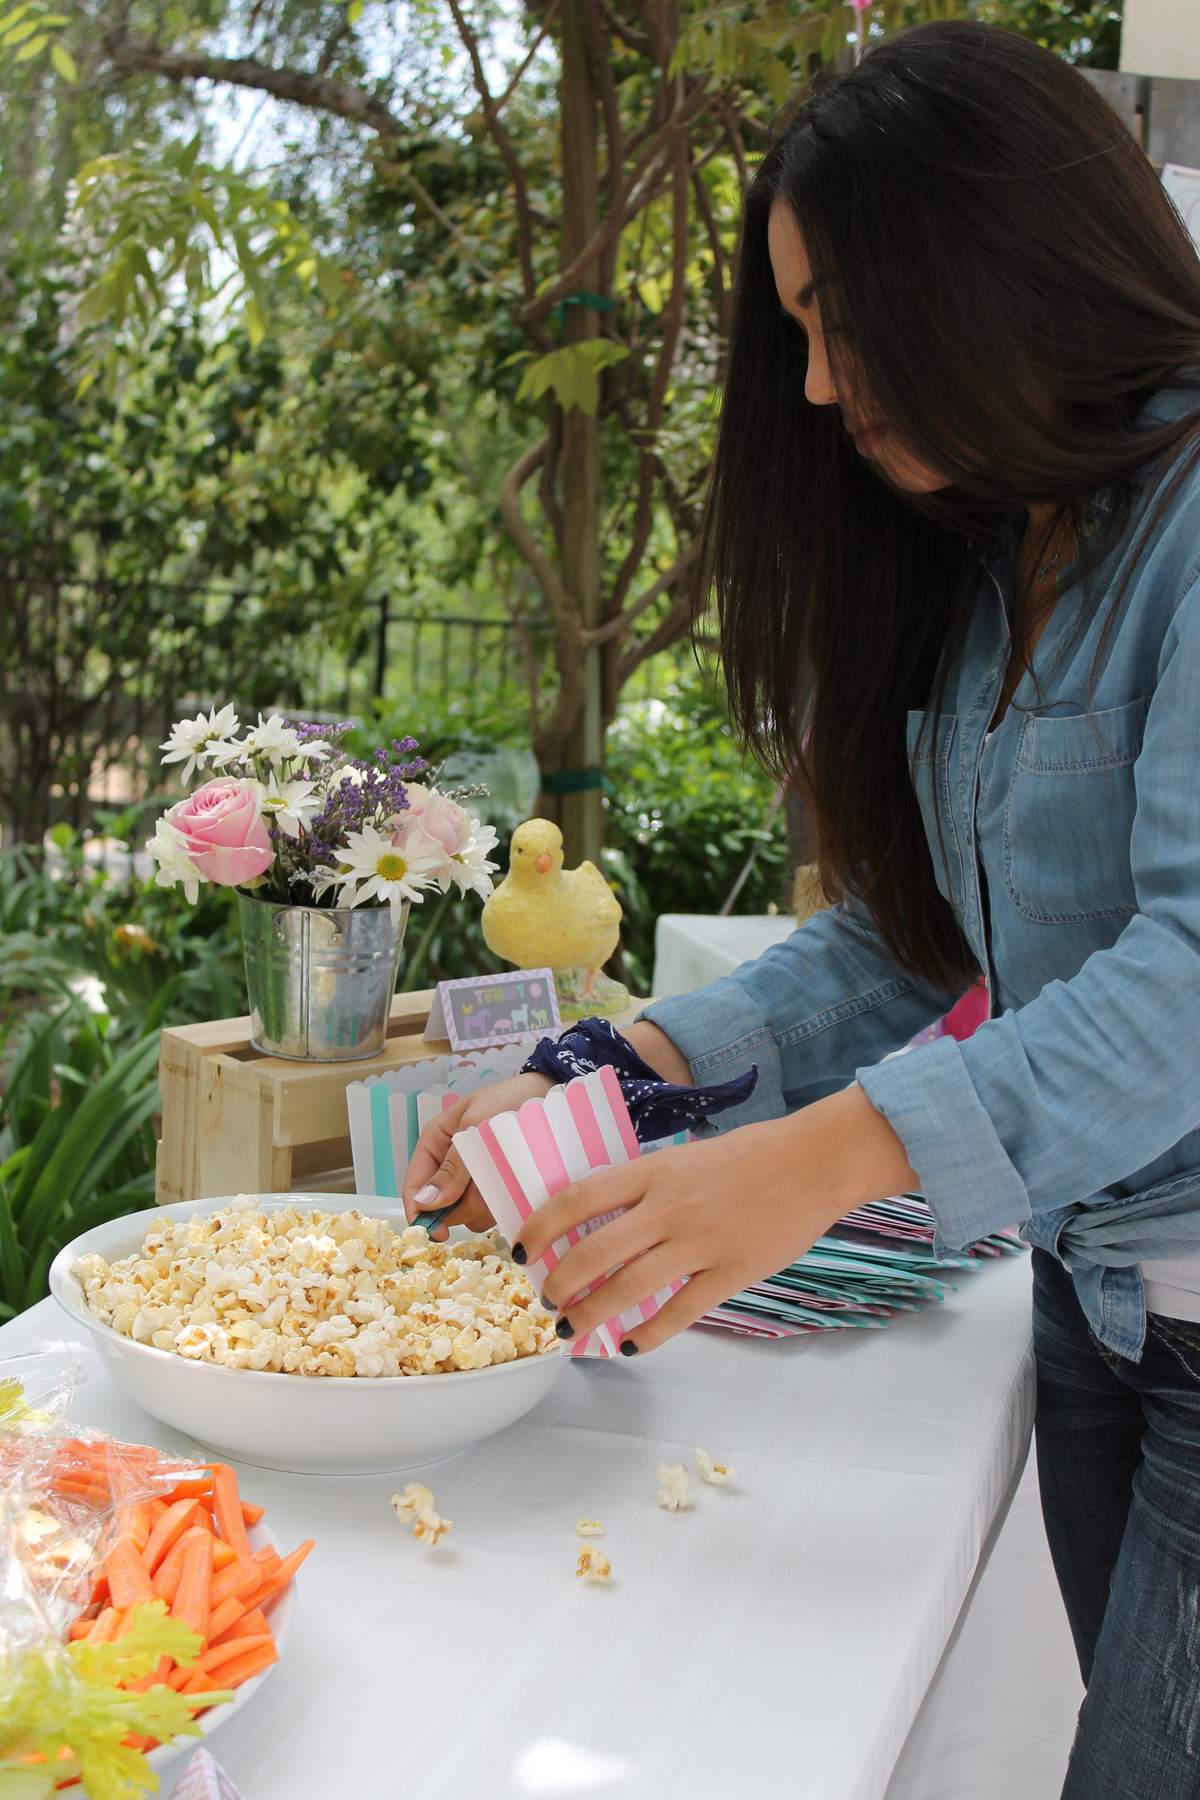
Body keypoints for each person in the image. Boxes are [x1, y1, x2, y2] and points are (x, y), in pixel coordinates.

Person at [404, 22, 1200, 1796]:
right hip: (1099, 1302)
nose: (826, 389)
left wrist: (820, 1158)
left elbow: (1190, 978)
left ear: (996, 255)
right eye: (804, 333)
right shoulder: (1003, 558)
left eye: (843, 314)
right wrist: (617, 1070)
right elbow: (918, 929)